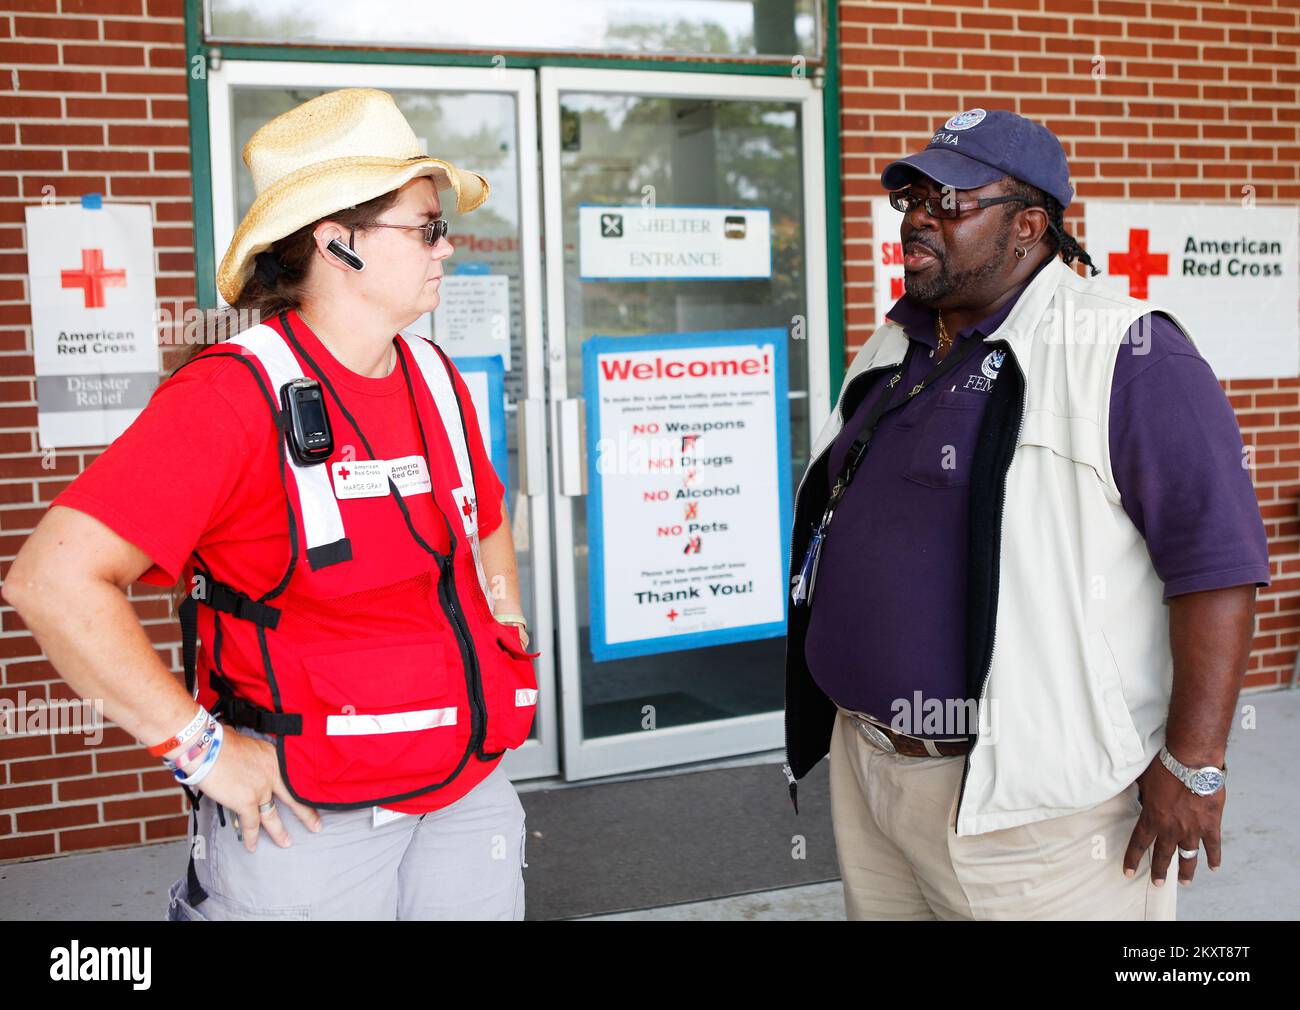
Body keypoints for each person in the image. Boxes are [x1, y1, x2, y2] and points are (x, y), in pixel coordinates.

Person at [3, 88, 540, 920]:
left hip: (466, 791)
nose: (449, 247)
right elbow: (51, 582)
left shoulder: (435, 376)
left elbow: (483, 521)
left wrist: (506, 630)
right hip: (309, 823)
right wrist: (202, 750)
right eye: (427, 226)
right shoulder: (228, 397)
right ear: (339, 244)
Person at [783, 108, 1270, 920]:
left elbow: (1216, 567)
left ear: (1028, 226)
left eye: (947, 200)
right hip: (867, 771)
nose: (917, 218)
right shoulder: (893, 345)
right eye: (909, 199)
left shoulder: (1129, 355)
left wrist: (1195, 764)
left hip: (1033, 819)